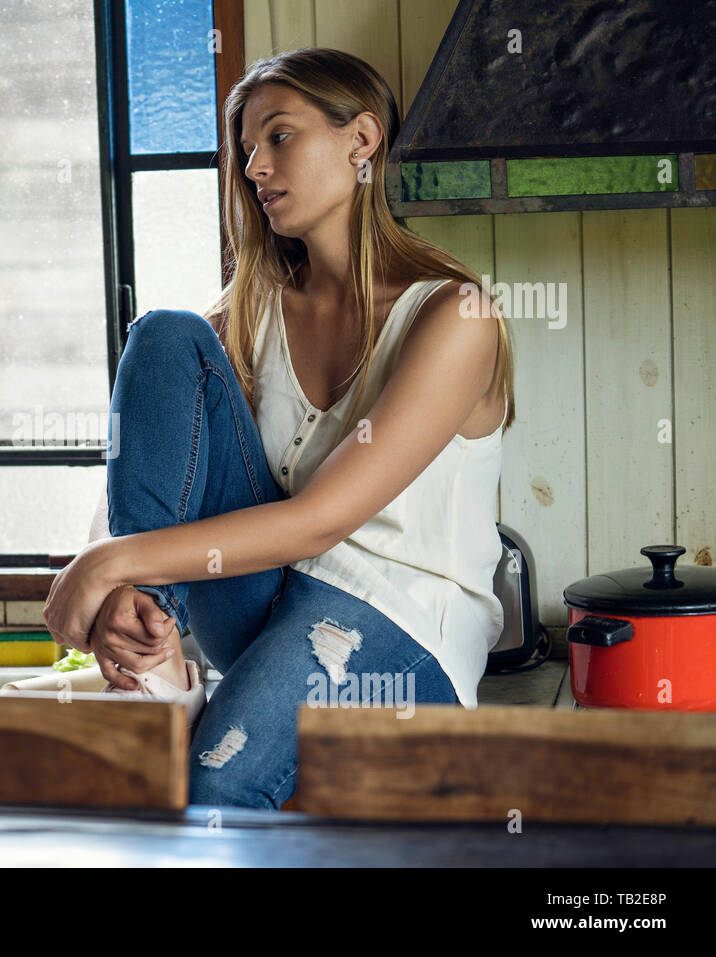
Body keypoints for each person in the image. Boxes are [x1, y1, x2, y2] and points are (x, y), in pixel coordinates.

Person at [44, 48, 516, 809]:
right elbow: (169, 464)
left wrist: (102, 564)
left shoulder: (455, 317)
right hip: (262, 598)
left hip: (395, 619)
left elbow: (316, 521)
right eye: (247, 150)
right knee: (164, 334)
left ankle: (172, 690)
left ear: (361, 142)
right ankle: (154, 668)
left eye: (280, 136)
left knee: (212, 785)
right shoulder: (251, 313)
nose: (256, 166)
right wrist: (125, 578)